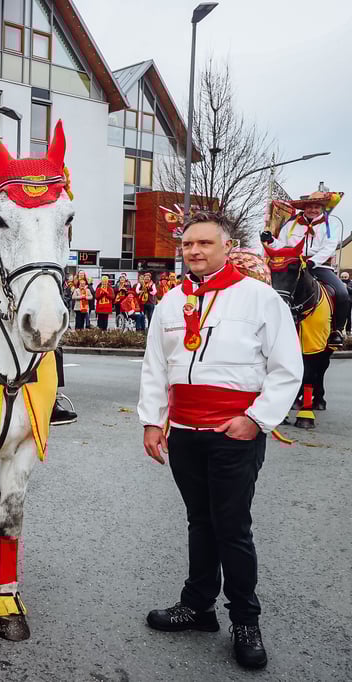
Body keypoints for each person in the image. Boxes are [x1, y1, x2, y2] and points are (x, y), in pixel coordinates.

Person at [138, 211, 302, 671]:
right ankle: (198, 607)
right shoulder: (172, 301)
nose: (194, 251)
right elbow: (155, 366)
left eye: (205, 243)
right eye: (188, 244)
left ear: (227, 247)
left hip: (235, 433)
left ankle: (246, 621)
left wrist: (256, 419)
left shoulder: (260, 298)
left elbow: (287, 367)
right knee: (199, 521)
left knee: (232, 526)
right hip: (186, 434)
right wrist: (153, 422)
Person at [261, 190, 348, 345]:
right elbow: (283, 245)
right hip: (293, 263)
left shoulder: (330, 224)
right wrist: (271, 240)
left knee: (342, 292)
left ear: (322, 208)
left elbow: (329, 247)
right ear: (304, 208)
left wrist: (312, 262)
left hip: (319, 265)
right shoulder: (291, 223)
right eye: (309, 207)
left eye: (317, 207)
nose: (313, 210)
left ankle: (337, 330)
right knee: (269, 287)